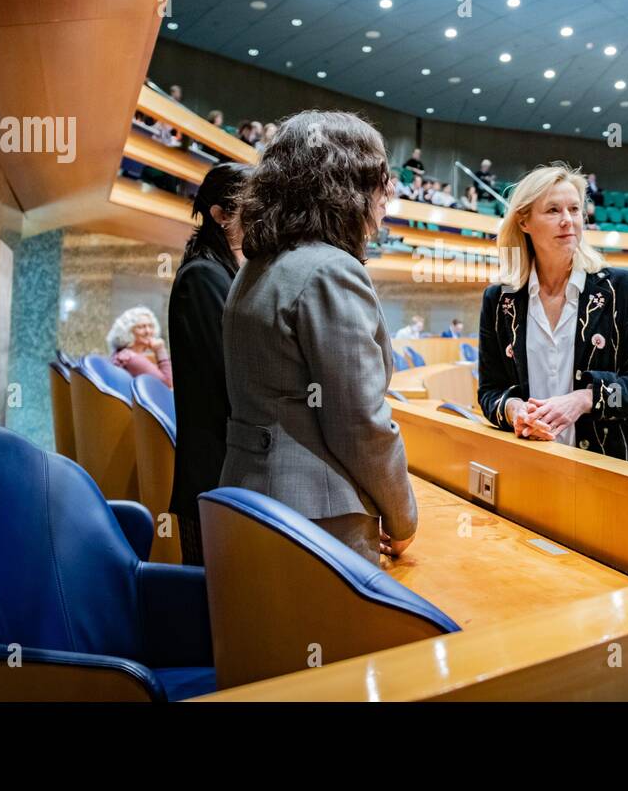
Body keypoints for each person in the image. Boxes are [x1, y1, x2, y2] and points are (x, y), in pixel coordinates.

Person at [220, 110, 417, 563]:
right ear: (343, 185)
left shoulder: (258, 266)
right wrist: (403, 516)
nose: (388, 192)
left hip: (251, 499)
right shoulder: (330, 270)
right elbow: (359, 422)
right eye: (378, 177)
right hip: (316, 520)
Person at [477, 163, 628, 463]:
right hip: (528, 462)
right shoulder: (499, 300)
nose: (568, 221)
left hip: (606, 469)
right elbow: (490, 392)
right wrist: (514, 411)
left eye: (574, 210)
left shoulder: (620, 288)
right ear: (524, 221)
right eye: (553, 211)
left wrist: (584, 399)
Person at [168, 163, 253, 564]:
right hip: (211, 477)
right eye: (251, 206)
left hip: (222, 476)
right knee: (211, 611)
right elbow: (225, 379)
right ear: (220, 215)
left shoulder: (223, 272)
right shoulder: (202, 276)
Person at [107, 307, 173, 388]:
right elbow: (167, 383)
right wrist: (160, 350)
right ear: (128, 331)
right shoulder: (131, 358)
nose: (148, 331)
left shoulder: (124, 353)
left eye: (151, 326)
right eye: (141, 327)